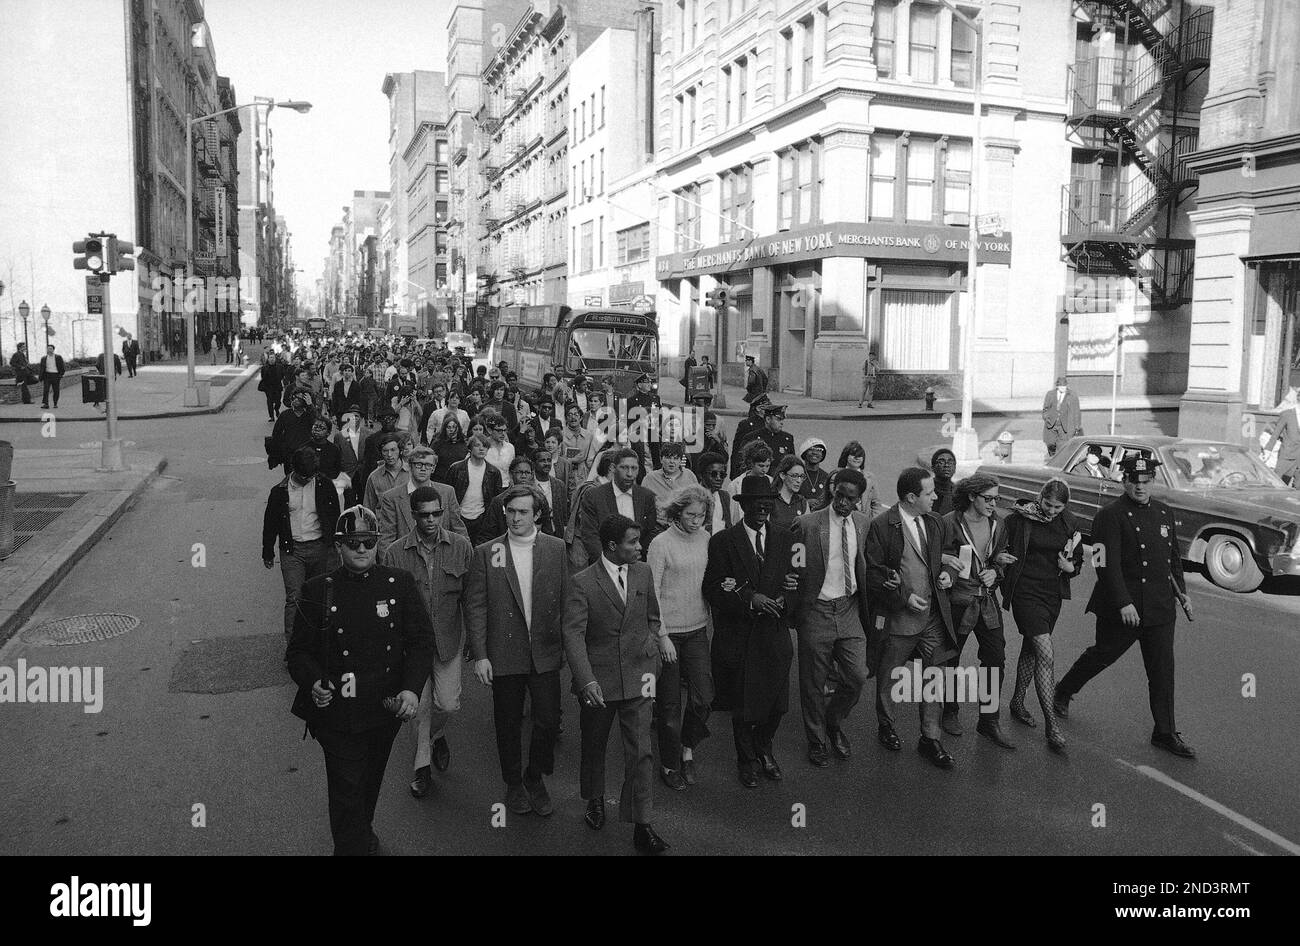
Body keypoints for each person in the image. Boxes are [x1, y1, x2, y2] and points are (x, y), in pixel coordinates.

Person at [286, 505, 433, 856]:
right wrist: (314, 681)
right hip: (339, 714)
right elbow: (298, 653)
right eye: (354, 542)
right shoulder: (318, 589)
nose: (362, 549)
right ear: (339, 546)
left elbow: (420, 641)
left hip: (384, 709)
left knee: (368, 784)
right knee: (346, 789)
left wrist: (412, 688)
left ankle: (361, 837)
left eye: (368, 541)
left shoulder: (399, 583)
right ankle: (353, 848)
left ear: (378, 542)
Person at [1055, 454, 1196, 758]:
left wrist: (1181, 593)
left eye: (1146, 481)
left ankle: (1165, 732)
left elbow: (1172, 560)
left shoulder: (1164, 512)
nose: (1140, 487)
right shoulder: (1110, 515)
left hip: (1159, 607)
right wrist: (1123, 603)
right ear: (1124, 481)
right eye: (1134, 481)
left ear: (1153, 482)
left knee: (1162, 670)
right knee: (1102, 655)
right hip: (1122, 607)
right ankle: (1063, 691)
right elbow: (1104, 564)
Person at [564, 514, 671, 854]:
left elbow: (653, 618)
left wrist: (652, 652)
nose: (640, 548)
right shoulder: (582, 583)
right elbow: (573, 635)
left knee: (641, 752)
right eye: (633, 542)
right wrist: (586, 680)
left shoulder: (643, 572)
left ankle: (642, 823)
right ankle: (594, 798)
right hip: (599, 682)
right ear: (612, 546)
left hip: (640, 679)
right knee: (594, 745)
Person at [466, 484, 570, 816]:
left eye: (523, 511)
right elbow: (476, 606)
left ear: (537, 514)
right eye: (510, 511)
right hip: (504, 652)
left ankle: (535, 776)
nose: (514, 518)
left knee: (549, 721)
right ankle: (513, 783)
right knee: (508, 722)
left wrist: (568, 645)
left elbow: (567, 599)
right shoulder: (487, 552)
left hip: (545, 651)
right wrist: (480, 654)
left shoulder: (555, 549)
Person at [703, 475, 800, 788]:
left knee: (777, 704)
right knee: (744, 706)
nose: (762, 510)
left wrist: (786, 598)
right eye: (756, 504)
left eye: (767, 505)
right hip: (740, 636)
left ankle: (764, 747)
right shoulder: (722, 541)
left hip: (773, 634)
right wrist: (750, 600)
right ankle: (746, 759)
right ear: (743, 506)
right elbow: (714, 588)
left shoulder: (785, 538)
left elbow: (797, 579)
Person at [380, 485, 474, 799]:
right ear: (413, 515)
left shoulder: (461, 547)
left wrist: (476, 639)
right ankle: (422, 768)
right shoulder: (395, 553)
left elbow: (472, 599)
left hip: (448, 641)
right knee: (418, 709)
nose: (431, 519)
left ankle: (437, 736)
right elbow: (389, 607)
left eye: (437, 513)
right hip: (411, 647)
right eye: (424, 514)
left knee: (447, 703)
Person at [866, 467, 960, 770]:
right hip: (899, 619)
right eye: (929, 493)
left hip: (933, 616)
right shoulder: (882, 526)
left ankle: (930, 738)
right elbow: (874, 571)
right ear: (910, 497)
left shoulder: (934, 522)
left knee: (935, 676)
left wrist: (949, 573)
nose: (936, 496)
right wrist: (904, 597)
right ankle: (887, 726)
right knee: (890, 676)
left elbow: (949, 554)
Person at [790, 469, 873, 767]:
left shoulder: (864, 524)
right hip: (817, 611)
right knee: (812, 682)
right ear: (832, 491)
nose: (842, 503)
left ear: (858, 500)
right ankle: (816, 740)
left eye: (849, 499)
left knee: (857, 676)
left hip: (849, 610)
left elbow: (869, 564)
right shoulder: (807, 524)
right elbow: (793, 564)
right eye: (838, 495)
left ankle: (833, 721)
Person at [1000, 478, 1083, 754]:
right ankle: (1051, 724)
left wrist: (1069, 566)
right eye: (1048, 504)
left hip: (1052, 595)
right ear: (1040, 497)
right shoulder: (1019, 520)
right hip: (1025, 592)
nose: (1051, 511)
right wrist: (1002, 560)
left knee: (1032, 650)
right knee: (1045, 653)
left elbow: (1078, 560)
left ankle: (1017, 702)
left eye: (1058, 507)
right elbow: (999, 546)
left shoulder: (1069, 523)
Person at [938, 474, 1017, 749]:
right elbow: (938, 557)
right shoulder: (949, 521)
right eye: (988, 498)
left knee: (996, 659)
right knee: (950, 658)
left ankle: (989, 721)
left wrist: (996, 571)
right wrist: (948, 572)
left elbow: (999, 557)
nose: (994, 504)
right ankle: (949, 711)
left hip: (987, 602)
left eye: (997, 498)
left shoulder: (999, 523)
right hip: (958, 601)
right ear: (972, 496)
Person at [647, 486, 714, 790]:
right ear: (677, 512)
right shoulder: (661, 544)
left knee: (704, 697)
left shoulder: (707, 539)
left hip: (698, 629)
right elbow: (652, 593)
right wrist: (661, 636)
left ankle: (688, 748)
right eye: (690, 514)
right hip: (669, 633)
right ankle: (670, 763)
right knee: (669, 706)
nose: (697, 520)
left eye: (701, 515)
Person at [263, 447, 349, 643]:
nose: (306, 480)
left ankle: (321, 642)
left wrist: (337, 544)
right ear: (293, 470)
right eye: (303, 476)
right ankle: (294, 647)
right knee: (294, 598)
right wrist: (267, 552)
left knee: (321, 596)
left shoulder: (324, 485)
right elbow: (270, 523)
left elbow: (335, 515)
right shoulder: (279, 491)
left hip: (320, 548)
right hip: (293, 550)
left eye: (310, 476)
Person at [576, 447, 659, 563]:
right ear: (613, 468)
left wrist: (637, 555)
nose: (630, 474)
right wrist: (608, 562)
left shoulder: (646, 497)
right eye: (624, 468)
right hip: (604, 567)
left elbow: (651, 531)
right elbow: (589, 535)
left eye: (634, 468)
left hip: (637, 565)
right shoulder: (593, 496)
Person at [377, 446, 467, 548]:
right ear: (409, 466)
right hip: (406, 558)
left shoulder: (447, 492)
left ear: (433, 468)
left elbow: (459, 530)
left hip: (441, 557)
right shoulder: (391, 498)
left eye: (428, 465)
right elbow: (386, 540)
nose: (423, 469)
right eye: (418, 464)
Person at [450, 432, 504, 547]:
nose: (481, 449)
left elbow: (496, 499)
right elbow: (448, 495)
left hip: (482, 518)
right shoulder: (456, 469)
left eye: (485, 446)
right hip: (459, 517)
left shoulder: (494, 472)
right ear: (470, 448)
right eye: (477, 445)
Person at [640, 441, 698, 515]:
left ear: (680, 461)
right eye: (668, 457)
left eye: (676, 458)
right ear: (661, 459)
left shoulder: (689, 475)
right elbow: (642, 506)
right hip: (659, 524)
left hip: (683, 523)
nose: (672, 462)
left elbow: (697, 502)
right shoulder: (650, 478)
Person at [270, 391, 316, 476]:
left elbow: (316, 423)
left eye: (299, 399)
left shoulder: (308, 415)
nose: (295, 400)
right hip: (289, 453)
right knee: (290, 478)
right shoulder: (285, 415)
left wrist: (310, 405)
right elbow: (276, 434)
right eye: (294, 398)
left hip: (305, 453)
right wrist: (277, 453)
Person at [834, 441, 884, 516]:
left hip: (864, 521)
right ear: (846, 456)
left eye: (860, 455)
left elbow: (876, 503)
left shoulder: (870, 477)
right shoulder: (836, 475)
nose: (857, 458)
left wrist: (873, 522)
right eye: (853, 455)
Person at [1264, 387, 1300, 485]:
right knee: (1278, 483)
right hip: (1287, 455)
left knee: (1298, 487)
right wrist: (1267, 450)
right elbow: (1276, 433)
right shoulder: (1287, 414)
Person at [729, 393, 770, 479]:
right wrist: (735, 473)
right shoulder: (746, 425)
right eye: (767, 406)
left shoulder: (769, 424)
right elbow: (737, 450)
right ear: (759, 408)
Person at [363, 434, 408, 512]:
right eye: (385, 451)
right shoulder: (374, 477)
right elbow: (368, 508)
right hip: (383, 522)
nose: (389, 455)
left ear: (400, 451)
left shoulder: (411, 473)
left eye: (393, 450)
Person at [1041, 376, 1083, 458]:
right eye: (1061, 386)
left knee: (1062, 446)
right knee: (1050, 443)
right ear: (1057, 386)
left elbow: (1077, 412)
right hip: (1051, 425)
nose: (1063, 388)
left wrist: (1077, 426)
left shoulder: (1072, 395)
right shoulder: (1050, 394)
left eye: (1064, 386)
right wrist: (1046, 417)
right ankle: (1052, 457)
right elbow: (1045, 408)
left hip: (1064, 426)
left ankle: (1058, 461)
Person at [532, 446, 569, 540]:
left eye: (549, 460)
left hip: (556, 533)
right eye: (542, 460)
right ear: (534, 463)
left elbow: (564, 512)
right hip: (534, 533)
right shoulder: (529, 486)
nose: (547, 463)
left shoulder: (559, 485)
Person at [695, 451, 735, 535]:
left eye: (722, 475)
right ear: (701, 475)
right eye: (713, 474)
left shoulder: (724, 497)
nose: (718, 478)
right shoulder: (691, 496)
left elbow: (727, 526)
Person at [769, 455, 809, 532]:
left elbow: (807, 531)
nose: (799, 480)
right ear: (782, 475)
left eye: (802, 476)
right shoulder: (770, 499)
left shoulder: (802, 502)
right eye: (795, 476)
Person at [334, 406, 367, 489]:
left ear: (361, 418)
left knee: (363, 499)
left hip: (363, 474)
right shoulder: (339, 436)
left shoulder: (368, 434)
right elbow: (337, 457)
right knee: (349, 500)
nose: (354, 418)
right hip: (347, 474)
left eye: (356, 416)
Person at [431, 414, 469, 480]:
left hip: (458, 479)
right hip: (440, 479)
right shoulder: (437, 444)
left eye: (454, 427)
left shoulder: (465, 443)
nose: (452, 430)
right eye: (449, 427)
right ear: (445, 429)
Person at [797, 438, 831, 511]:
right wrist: (805, 502)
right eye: (811, 449)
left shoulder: (827, 477)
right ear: (804, 453)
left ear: (822, 455)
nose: (815, 452)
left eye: (819, 450)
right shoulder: (796, 474)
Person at [930, 448, 957, 517]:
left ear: (955, 468)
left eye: (950, 462)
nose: (946, 465)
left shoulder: (957, 491)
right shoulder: (926, 488)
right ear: (932, 468)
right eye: (941, 462)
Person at [258, 351, 283, 422]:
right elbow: (263, 377)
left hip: (277, 387)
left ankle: (277, 409)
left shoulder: (280, 367)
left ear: (275, 359)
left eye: (273, 358)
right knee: (270, 402)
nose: (272, 359)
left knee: (278, 401)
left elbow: (282, 375)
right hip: (268, 388)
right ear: (268, 359)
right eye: (270, 358)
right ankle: (271, 416)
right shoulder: (264, 368)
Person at [39, 343, 65, 409]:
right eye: (48, 349)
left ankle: (55, 403)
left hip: (55, 375)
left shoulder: (58, 357)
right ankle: (46, 404)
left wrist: (60, 375)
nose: (49, 350)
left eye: (50, 348)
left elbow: (62, 367)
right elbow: (41, 368)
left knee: (56, 390)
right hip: (47, 375)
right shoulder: (44, 358)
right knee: (46, 390)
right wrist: (40, 377)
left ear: (53, 350)